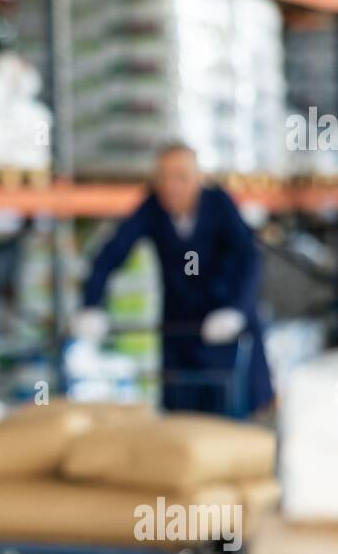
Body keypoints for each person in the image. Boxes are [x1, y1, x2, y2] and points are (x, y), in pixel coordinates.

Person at [75, 143, 273, 417]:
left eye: (181, 177)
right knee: (182, 413)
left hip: (226, 326)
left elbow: (248, 259)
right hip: (181, 329)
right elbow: (112, 252)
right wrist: (90, 304)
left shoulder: (219, 205)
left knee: (234, 410)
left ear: (198, 179)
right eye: (164, 178)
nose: (171, 187)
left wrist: (236, 310)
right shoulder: (152, 208)